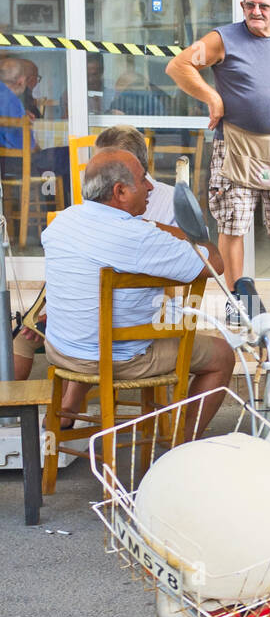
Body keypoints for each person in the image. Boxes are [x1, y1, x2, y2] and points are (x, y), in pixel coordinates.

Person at [165, 0, 270, 326]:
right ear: (242, 7)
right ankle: (239, 300)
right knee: (233, 225)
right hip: (235, 144)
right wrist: (212, 97)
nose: (255, 11)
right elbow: (178, 65)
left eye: (263, 6)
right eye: (249, 4)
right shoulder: (223, 38)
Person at [40, 150, 235, 440]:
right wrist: (192, 229)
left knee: (142, 320)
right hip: (118, 358)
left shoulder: (62, 222)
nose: (151, 187)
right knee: (223, 355)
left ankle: (66, 411)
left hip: (62, 350)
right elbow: (215, 264)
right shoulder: (139, 238)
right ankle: (182, 448)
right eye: (143, 179)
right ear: (119, 191)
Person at [10, 126, 179, 383]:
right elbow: (77, 261)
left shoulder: (164, 200)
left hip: (131, 310)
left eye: (106, 161)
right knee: (25, 337)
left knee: (84, 335)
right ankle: (13, 415)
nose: (99, 169)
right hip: (92, 303)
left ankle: (67, 409)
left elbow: (179, 261)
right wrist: (52, 310)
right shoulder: (102, 194)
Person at [0, 57, 70, 204]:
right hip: (18, 163)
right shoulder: (13, 100)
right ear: (21, 80)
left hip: (4, 163)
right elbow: (32, 147)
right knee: (66, 155)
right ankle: (59, 206)